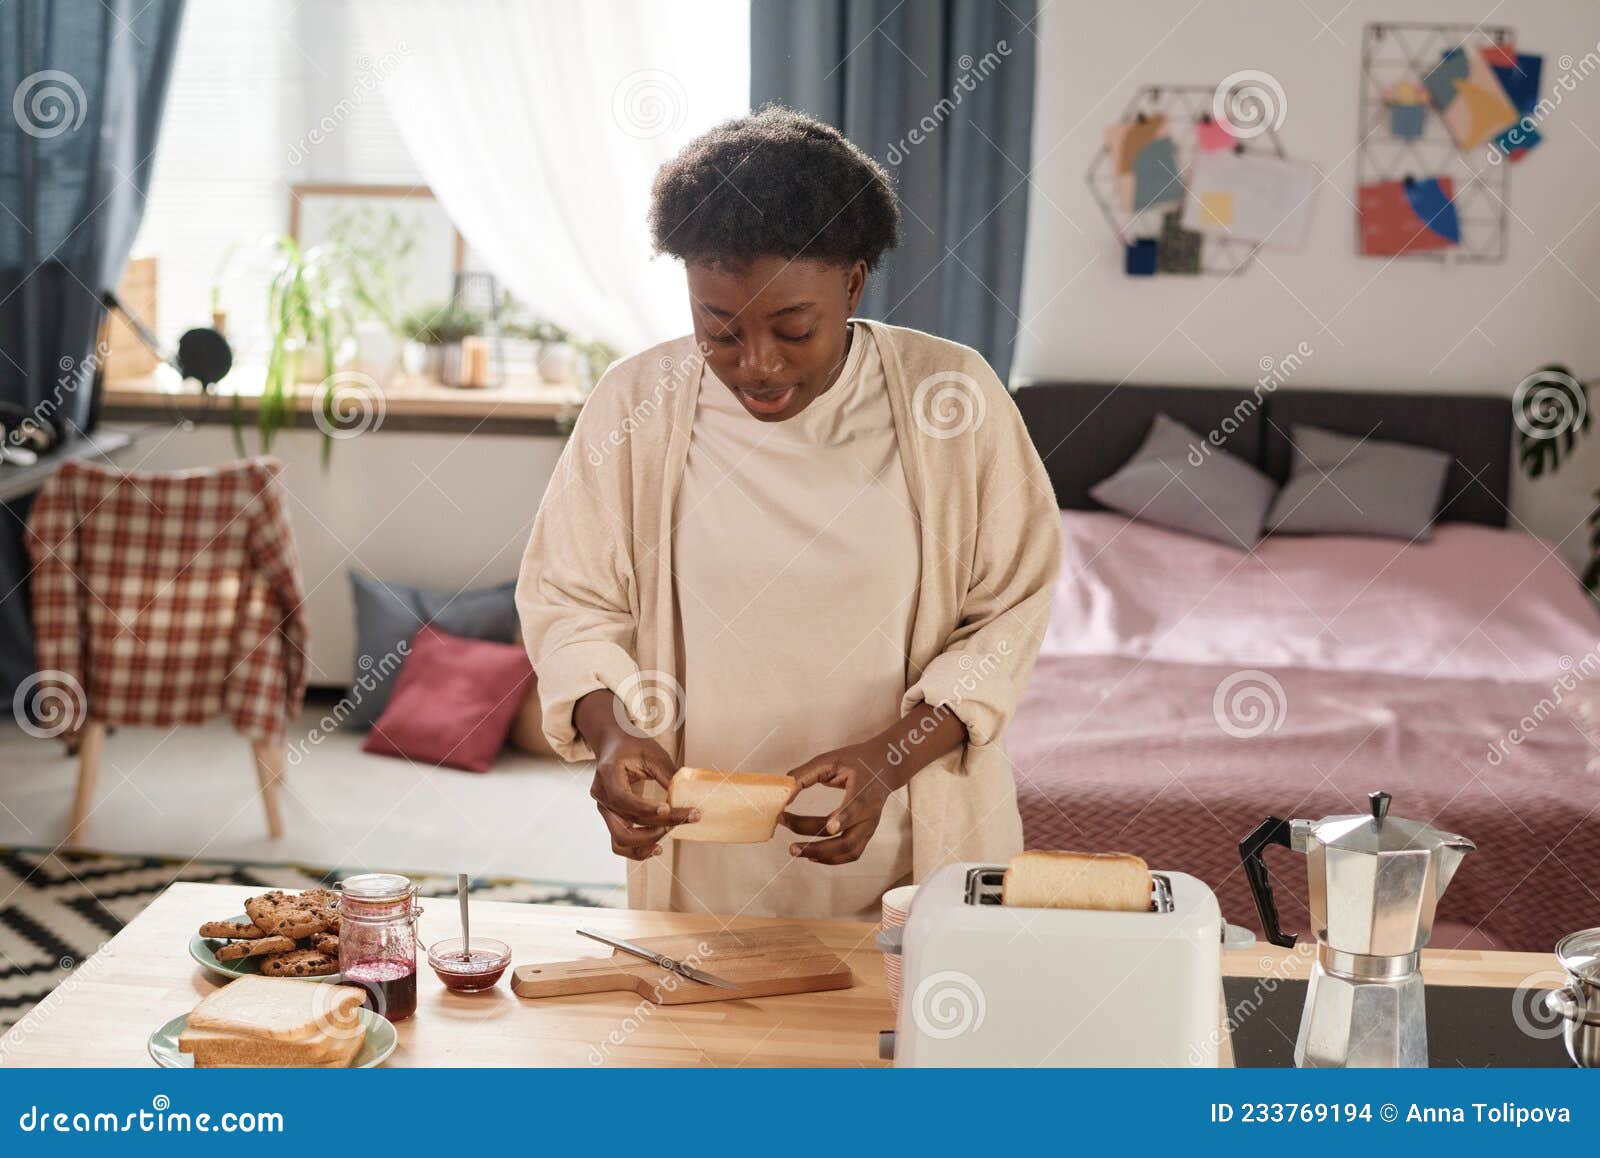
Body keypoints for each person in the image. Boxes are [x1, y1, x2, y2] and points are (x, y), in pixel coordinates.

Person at [516, 107, 1060, 919]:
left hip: (917, 839)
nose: (758, 365)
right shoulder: (636, 404)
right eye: (719, 329)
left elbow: (1007, 618)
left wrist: (890, 759)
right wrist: (614, 734)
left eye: (792, 327)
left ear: (852, 282)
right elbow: (570, 602)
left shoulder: (953, 397)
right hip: (703, 856)